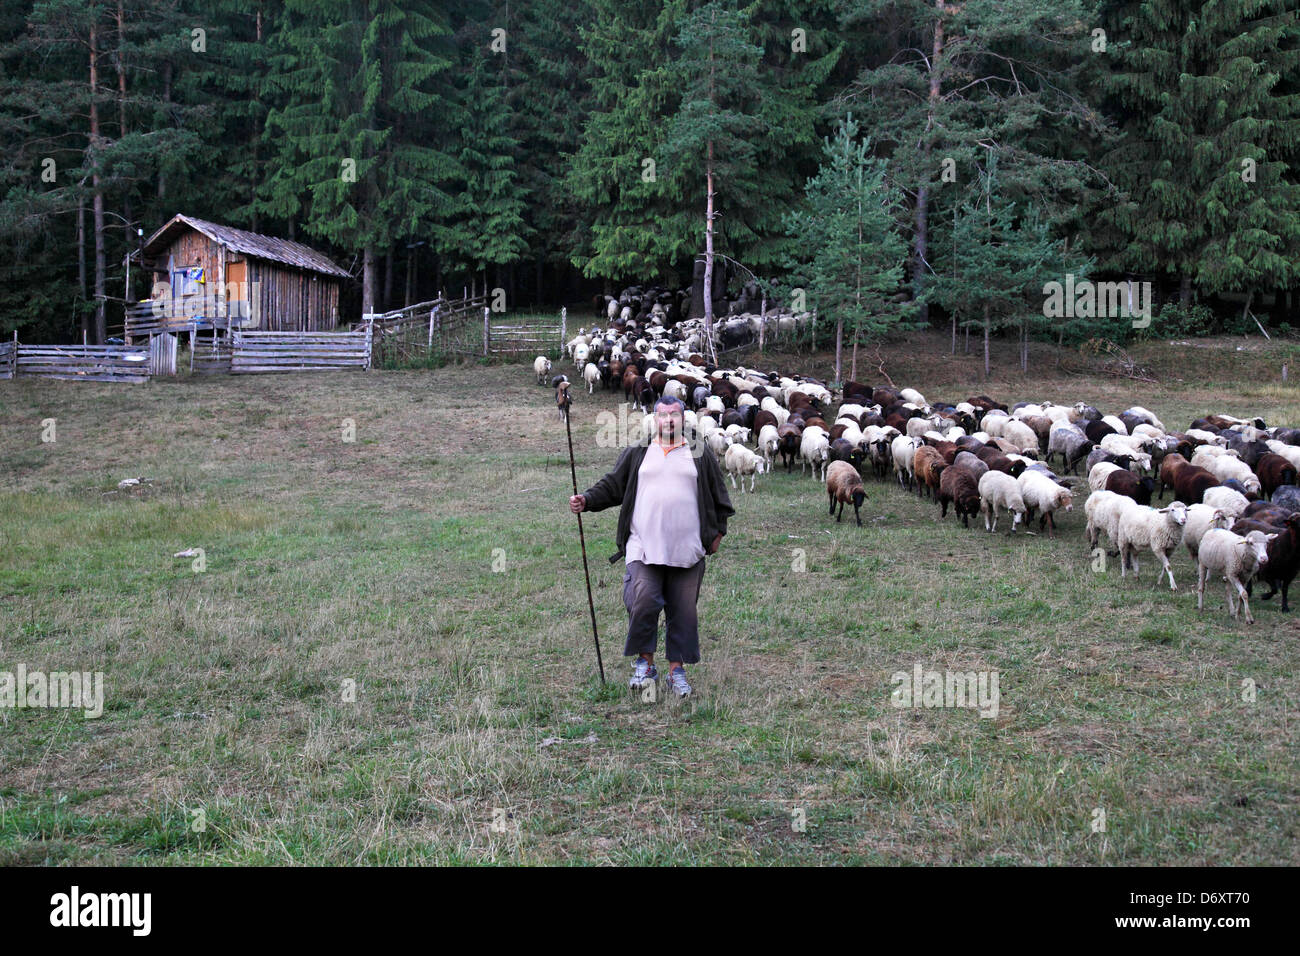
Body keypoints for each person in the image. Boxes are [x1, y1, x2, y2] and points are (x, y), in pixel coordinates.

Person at [569, 395, 735, 697]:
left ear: (683, 418)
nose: (668, 420)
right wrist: (588, 500)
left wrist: (717, 534)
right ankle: (645, 664)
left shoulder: (699, 451)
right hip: (644, 545)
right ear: (655, 419)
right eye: (662, 415)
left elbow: (719, 495)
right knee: (643, 599)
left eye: (674, 414)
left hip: (687, 549)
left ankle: (676, 672)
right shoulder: (639, 450)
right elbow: (614, 484)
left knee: (683, 611)